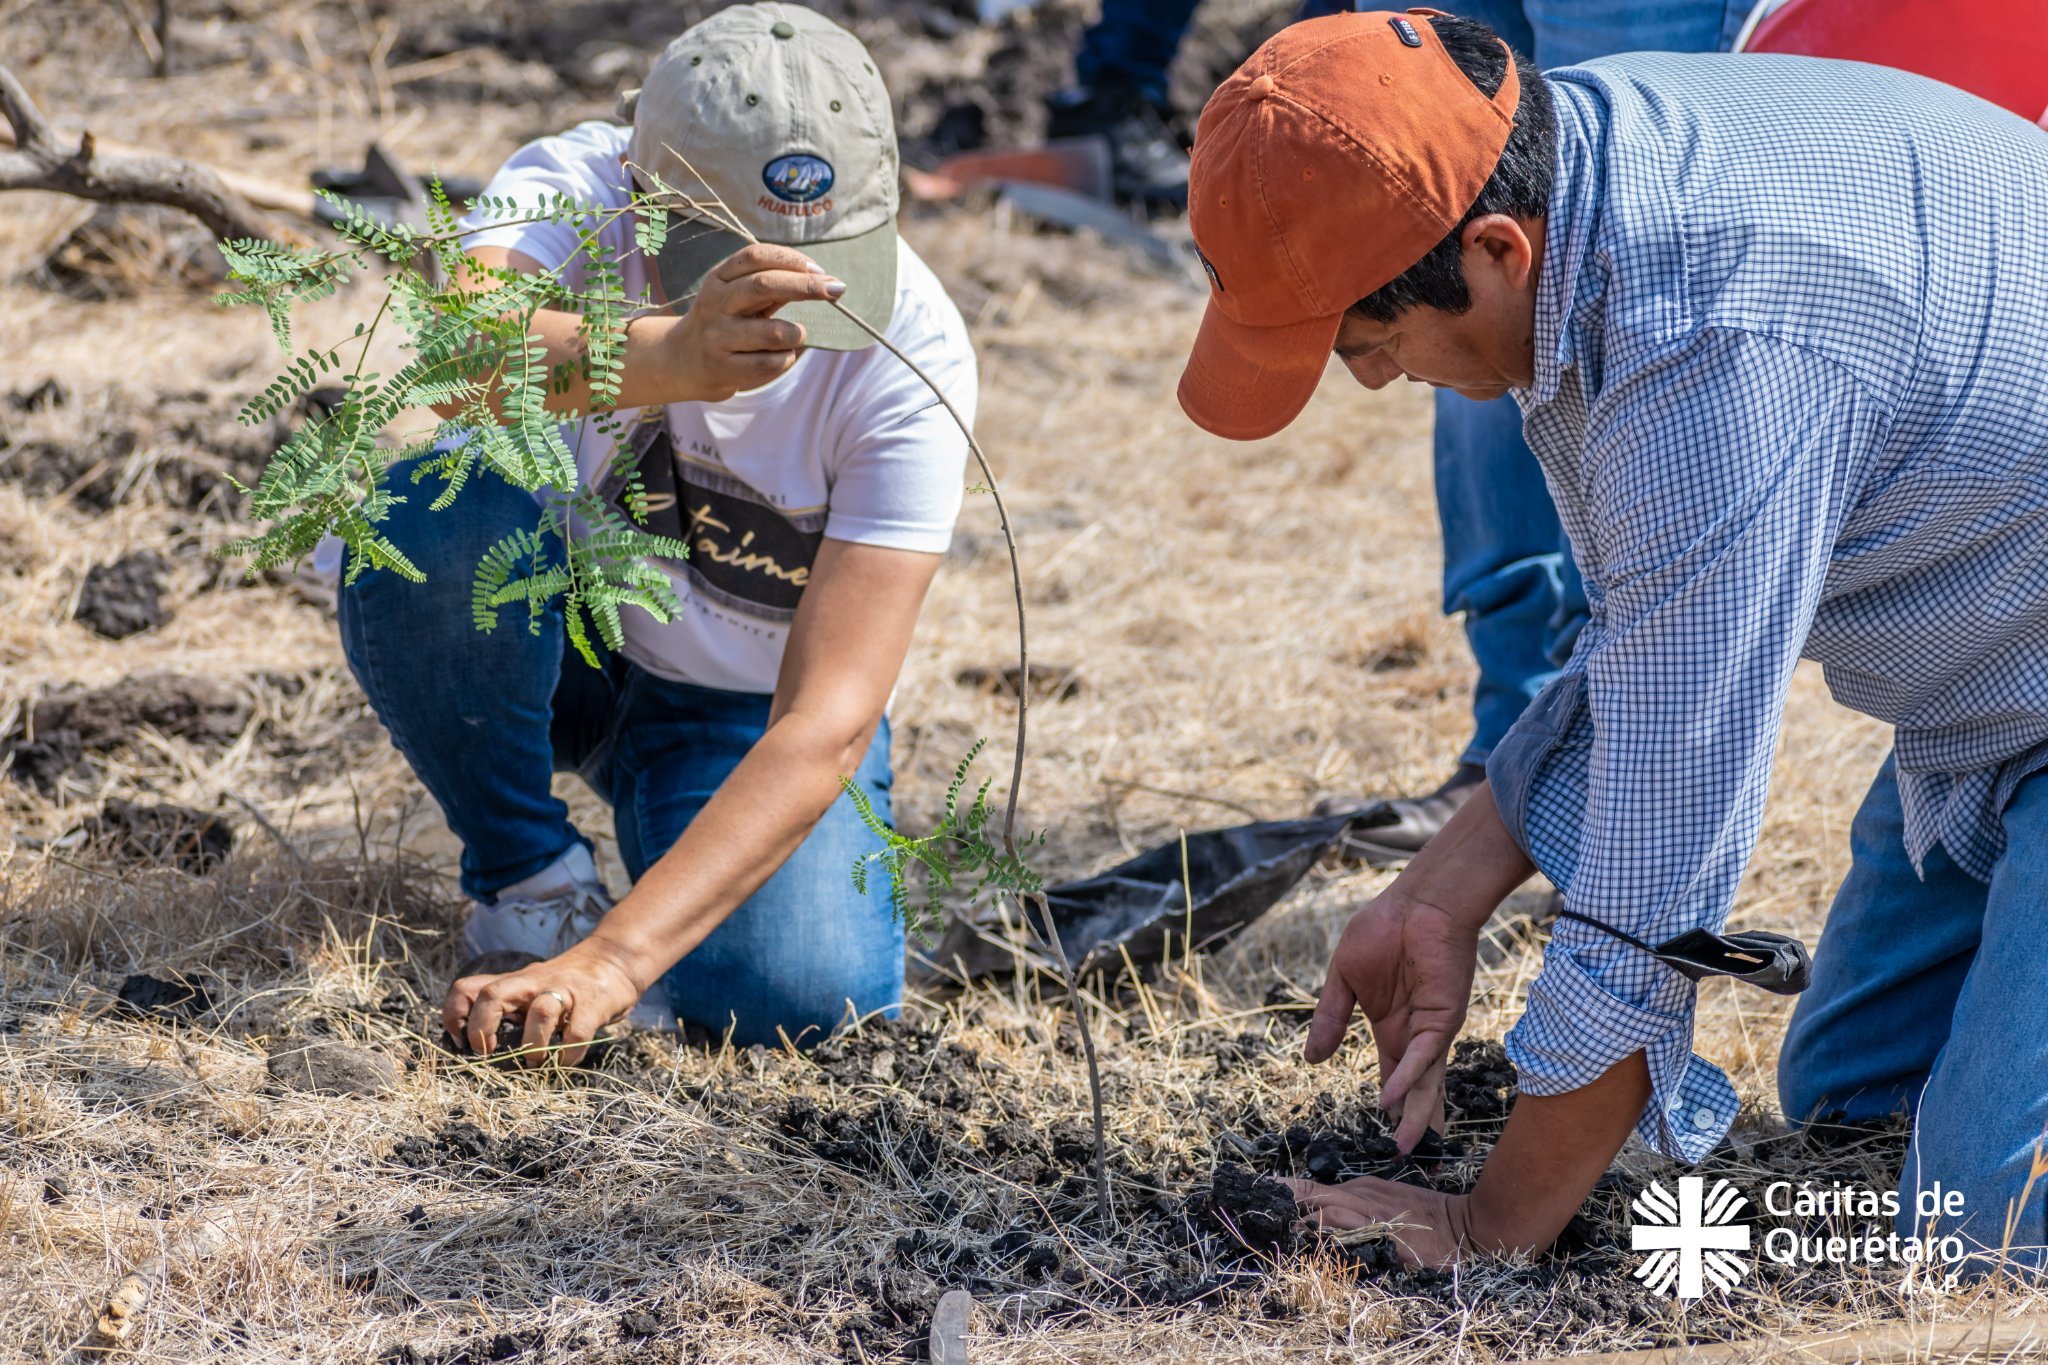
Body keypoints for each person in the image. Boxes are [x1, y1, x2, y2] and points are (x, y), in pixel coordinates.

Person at [1176, 10, 2048, 1268]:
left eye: (1371, 345)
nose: (1368, 382)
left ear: (1491, 247)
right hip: (1999, 672)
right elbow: (1653, 638)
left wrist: (1489, 1225)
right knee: (1852, 1100)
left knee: (1983, 1237)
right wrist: (1444, 884)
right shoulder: (1577, 153)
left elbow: (1659, 873)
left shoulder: (1712, 341)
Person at [335, 4, 977, 1061]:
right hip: (561, 643)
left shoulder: (913, 349)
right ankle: (527, 878)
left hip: (736, 712)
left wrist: (618, 963)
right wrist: (668, 356)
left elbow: (826, 719)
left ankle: (642, 873)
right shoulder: (574, 185)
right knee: (429, 521)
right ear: (639, 185)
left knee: (798, 1003)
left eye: (831, 262)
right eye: (733, 257)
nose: (796, 304)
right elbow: (456, 357)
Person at [1052, 0, 1747, 859]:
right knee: (1458, 290)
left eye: (1370, 348)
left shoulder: (1722, 323)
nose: (1376, 379)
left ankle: (1603, 783)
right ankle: (1518, 752)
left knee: (1576, 248)